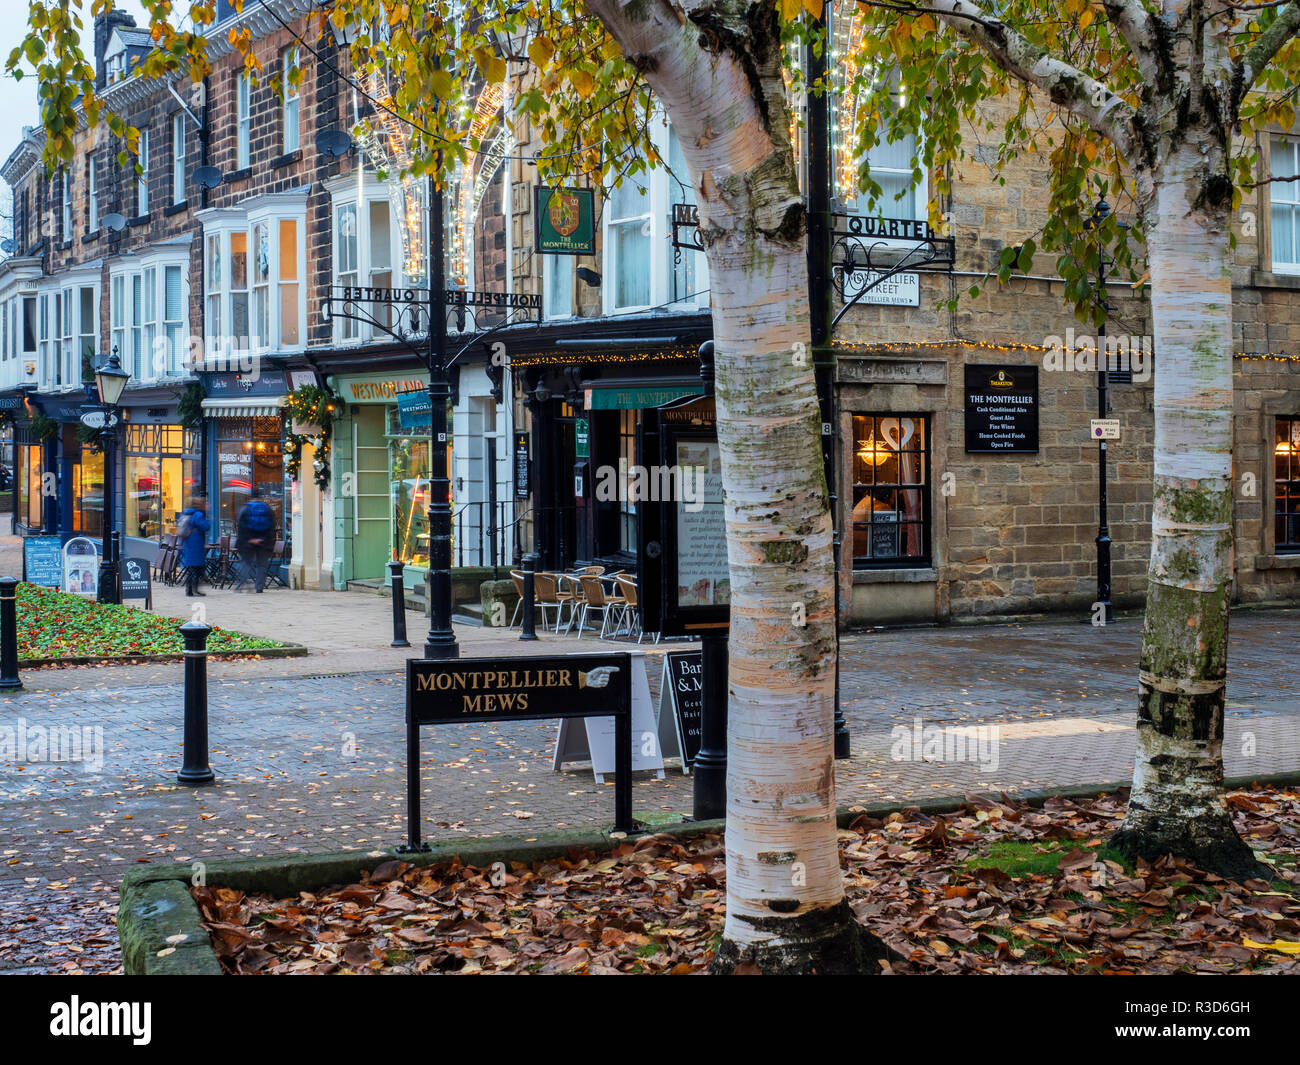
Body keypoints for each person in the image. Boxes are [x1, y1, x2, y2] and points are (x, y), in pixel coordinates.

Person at [234, 494, 275, 593]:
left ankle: (240, 585)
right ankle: (259, 587)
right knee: (262, 565)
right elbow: (272, 526)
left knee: (246, 563)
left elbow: (240, 525)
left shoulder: (245, 508)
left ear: (250, 498)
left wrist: (249, 539)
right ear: (260, 498)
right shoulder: (267, 509)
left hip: (248, 541)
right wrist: (263, 539)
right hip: (263, 542)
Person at [178, 495, 211, 597]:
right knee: (197, 568)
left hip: (189, 543)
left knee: (192, 568)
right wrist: (209, 519)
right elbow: (205, 526)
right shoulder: (198, 515)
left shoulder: (188, 513)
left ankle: (190, 590)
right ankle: (193, 590)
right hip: (196, 543)